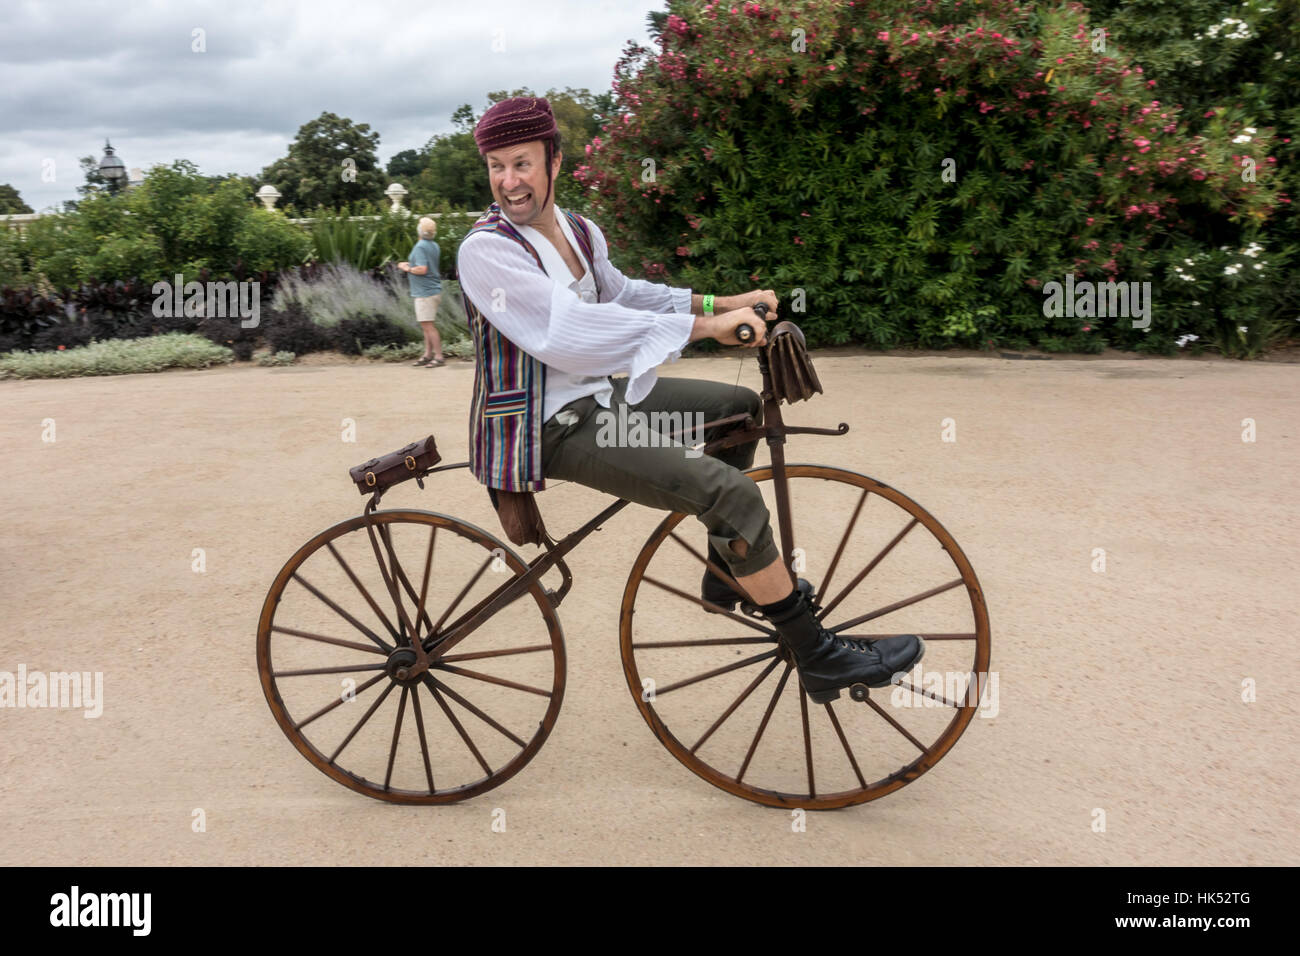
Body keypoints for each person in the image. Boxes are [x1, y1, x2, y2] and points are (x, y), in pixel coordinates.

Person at [456, 96, 923, 702]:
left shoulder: (578, 232)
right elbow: (567, 334)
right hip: (550, 424)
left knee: (738, 413)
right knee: (731, 491)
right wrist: (706, 331)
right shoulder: (486, 249)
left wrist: (719, 303)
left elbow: (627, 297)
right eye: (496, 166)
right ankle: (818, 655)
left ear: (554, 159)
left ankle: (727, 569)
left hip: (601, 400)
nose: (508, 182)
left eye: (520, 163)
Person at [397, 217, 445, 367]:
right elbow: (426, 265)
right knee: (426, 325)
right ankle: (427, 354)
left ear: (419, 231)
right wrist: (411, 264)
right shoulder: (433, 245)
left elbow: (423, 269)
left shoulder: (420, 246)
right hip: (431, 290)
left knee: (428, 326)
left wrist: (407, 268)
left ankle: (438, 356)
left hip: (425, 292)